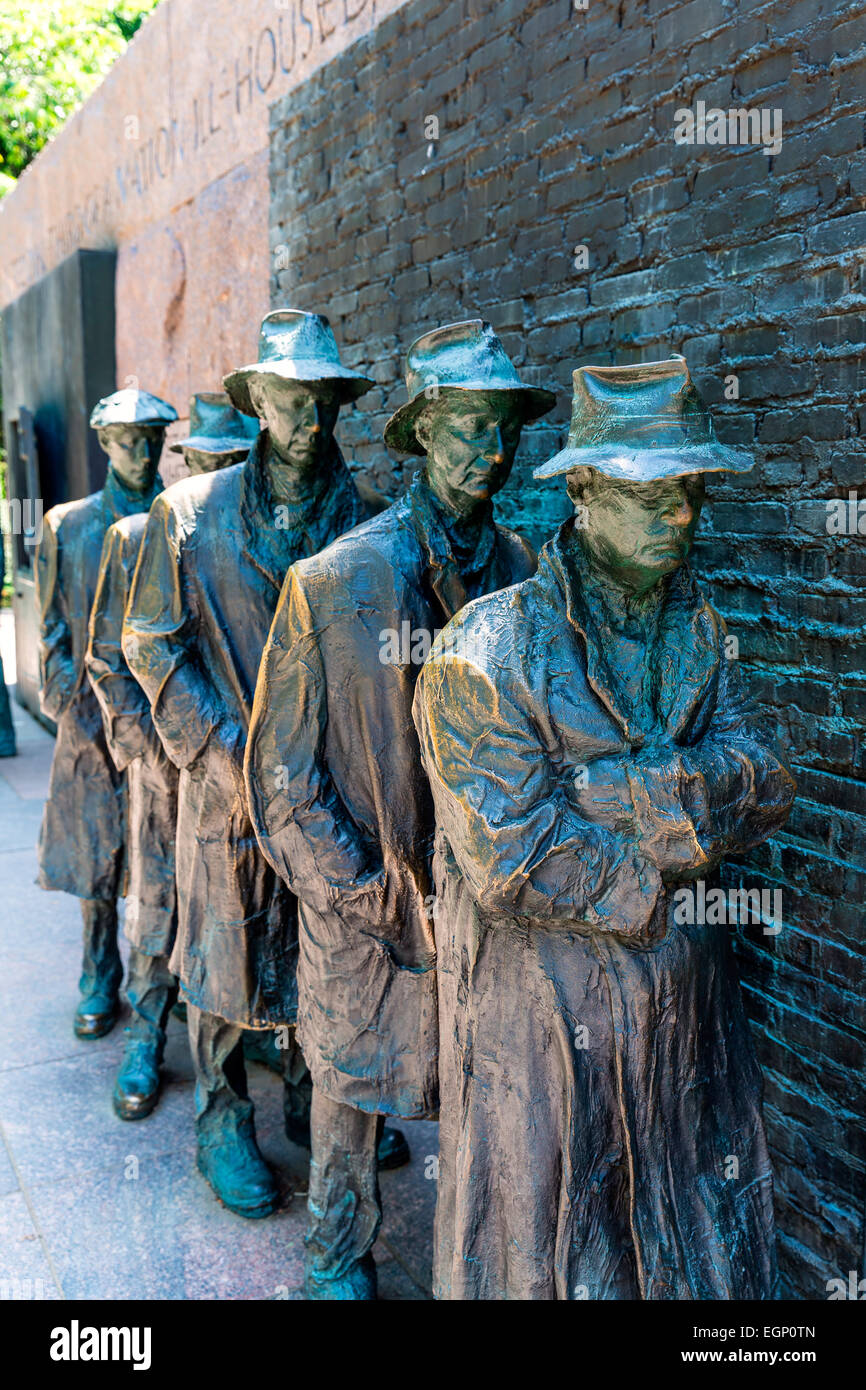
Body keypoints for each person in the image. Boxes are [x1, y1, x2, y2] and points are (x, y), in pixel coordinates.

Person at [414, 355, 796, 1300]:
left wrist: (616, 792)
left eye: (690, 492)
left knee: (698, 1252)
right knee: (556, 1257)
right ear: (582, 491)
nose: (683, 516)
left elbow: (769, 776)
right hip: (549, 1031)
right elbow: (513, 858)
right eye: (651, 494)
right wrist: (673, 858)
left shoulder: (703, 636)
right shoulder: (486, 653)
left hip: (688, 1020)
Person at [245, 319, 555, 1297]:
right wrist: (362, 888)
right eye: (465, 426)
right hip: (364, 902)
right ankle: (336, 1250)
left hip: (487, 909)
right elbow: (282, 776)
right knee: (347, 1082)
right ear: (421, 434)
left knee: (485, 1083)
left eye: (500, 428)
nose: (490, 450)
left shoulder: (523, 579)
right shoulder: (334, 580)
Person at [122, 312, 379, 1218]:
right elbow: (150, 642)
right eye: (289, 400)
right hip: (224, 787)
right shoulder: (187, 515)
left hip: (324, 793)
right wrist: (225, 753)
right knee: (223, 956)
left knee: (326, 951)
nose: (308, 419)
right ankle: (222, 1114)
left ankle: (315, 1094)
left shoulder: (370, 524)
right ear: (257, 402)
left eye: (323, 402)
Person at [86, 393, 259, 1118]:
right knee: (157, 907)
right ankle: (147, 1035)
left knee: (233, 917)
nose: (221, 477)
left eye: (235, 464)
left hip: (240, 772)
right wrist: (147, 759)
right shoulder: (139, 534)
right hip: (167, 769)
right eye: (209, 462)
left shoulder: (263, 532)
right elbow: (110, 658)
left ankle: (253, 1042)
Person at [36, 388, 176, 1039]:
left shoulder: (176, 520)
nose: (141, 451)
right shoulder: (68, 525)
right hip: (90, 728)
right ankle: (98, 974)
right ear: (103, 442)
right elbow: (52, 636)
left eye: (152, 439)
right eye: (128, 439)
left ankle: (163, 994)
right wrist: (72, 706)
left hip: (156, 725)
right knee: (99, 860)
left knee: (159, 865)